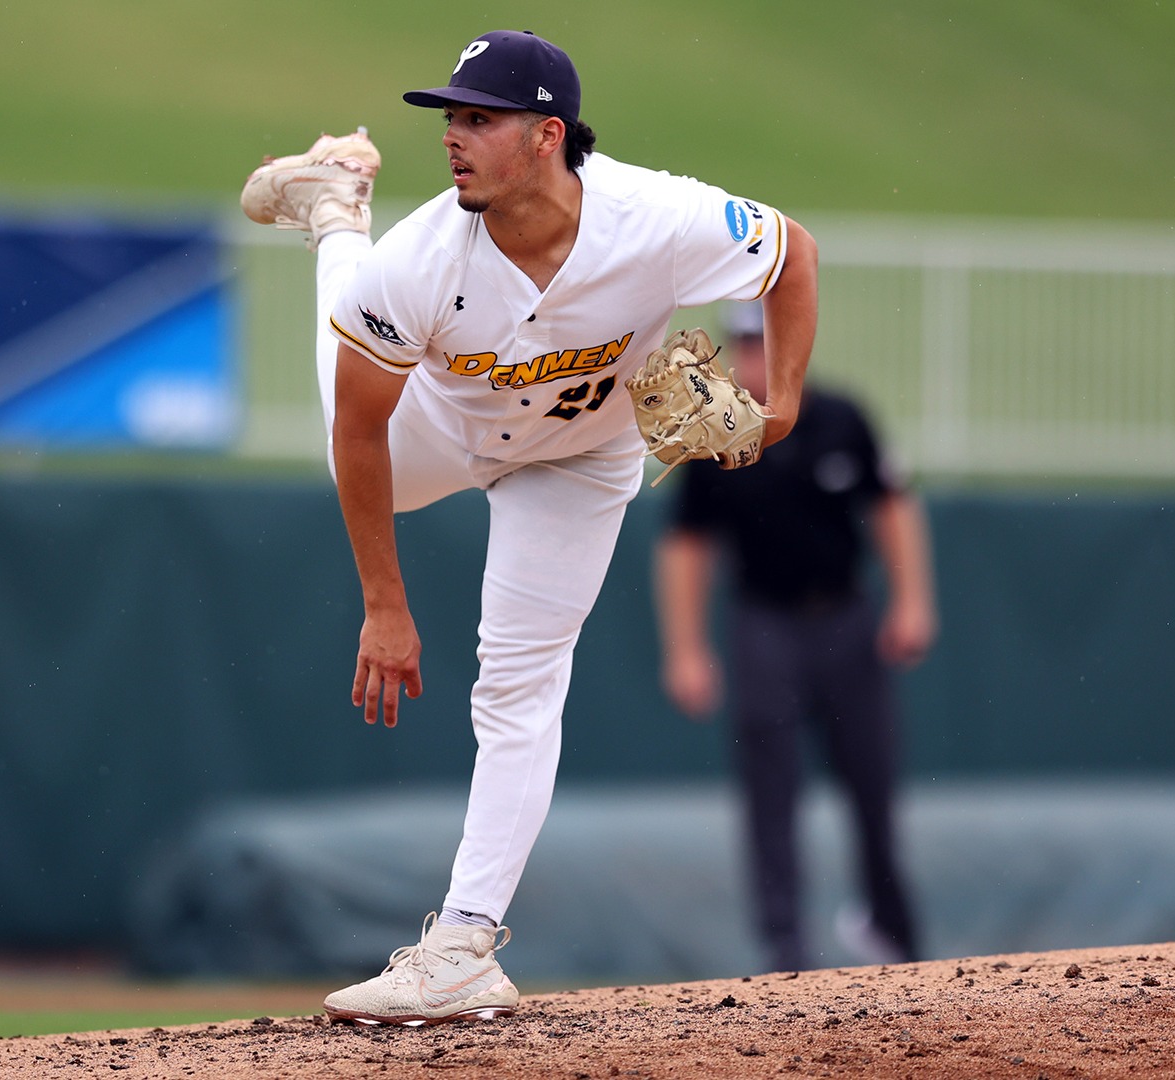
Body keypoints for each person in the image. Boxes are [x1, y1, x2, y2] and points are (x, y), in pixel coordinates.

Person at [240, 29, 819, 1025]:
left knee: (518, 682)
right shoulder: (423, 257)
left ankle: (463, 944)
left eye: (479, 119)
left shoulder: (658, 218)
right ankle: (338, 213)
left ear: (548, 135)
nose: (454, 137)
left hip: (581, 457)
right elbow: (360, 429)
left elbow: (792, 254)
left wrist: (784, 406)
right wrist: (384, 602)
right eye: (450, 119)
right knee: (338, 375)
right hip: (435, 426)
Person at [652, 304, 936, 972]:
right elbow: (687, 546)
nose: (754, 359)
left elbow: (892, 504)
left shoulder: (843, 416)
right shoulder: (717, 433)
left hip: (846, 618)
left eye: (767, 343)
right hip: (764, 626)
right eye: (745, 345)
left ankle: (892, 931)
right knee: (770, 793)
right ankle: (785, 948)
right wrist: (686, 649)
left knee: (873, 782)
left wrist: (913, 601)